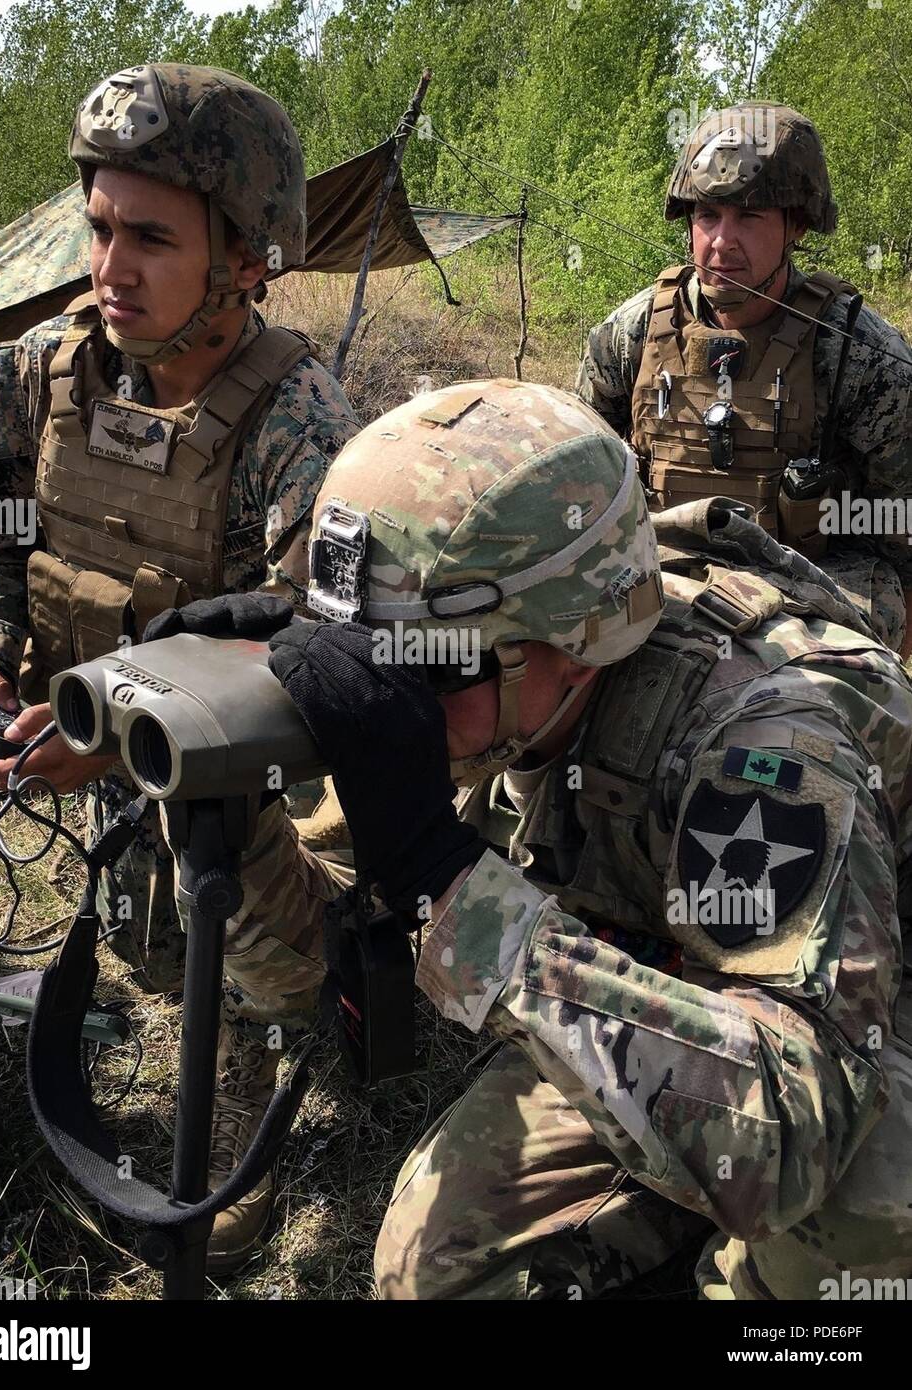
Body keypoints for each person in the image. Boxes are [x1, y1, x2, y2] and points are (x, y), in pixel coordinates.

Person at [157, 376, 912, 1296]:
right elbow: (309, 965)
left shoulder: (761, 748)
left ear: (571, 640)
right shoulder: (488, 707)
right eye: (360, 651)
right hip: (670, 987)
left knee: (849, 1233)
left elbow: (793, 1131)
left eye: (425, 664)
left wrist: (447, 881)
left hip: (846, 1021)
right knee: (437, 1269)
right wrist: (230, 806)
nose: (389, 691)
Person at [0, 63, 359, 1270]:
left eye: (151, 239)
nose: (108, 266)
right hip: (64, 730)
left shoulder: (301, 427)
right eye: (99, 228)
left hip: (237, 780)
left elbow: (315, 659)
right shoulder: (29, 375)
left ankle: (253, 1075)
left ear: (243, 259)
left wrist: (124, 736)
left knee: (226, 893)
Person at [575, 101, 912, 656]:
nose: (721, 242)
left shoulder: (857, 356)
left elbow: (900, 534)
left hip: (805, 601)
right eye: (707, 216)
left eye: (749, 218)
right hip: (657, 581)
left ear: (796, 226)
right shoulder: (632, 334)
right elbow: (577, 481)